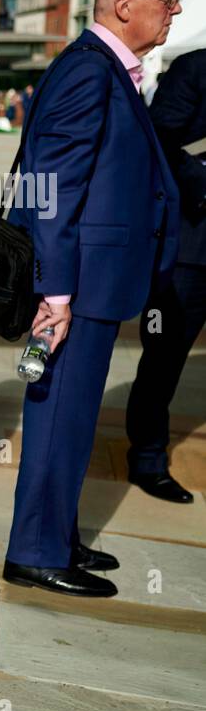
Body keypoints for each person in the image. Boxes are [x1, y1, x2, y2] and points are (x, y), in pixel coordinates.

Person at [3, 0, 181, 597]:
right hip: (76, 286)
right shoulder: (88, 69)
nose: (177, 9)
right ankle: (35, 551)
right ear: (125, 6)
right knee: (59, 418)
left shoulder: (102, 66)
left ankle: (58, 535)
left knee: (73, 420)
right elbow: (53, 189)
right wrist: (56, 293)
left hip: (92, 281)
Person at [125, 48, 206, 504]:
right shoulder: (195, 67)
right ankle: (149, 458)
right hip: (192, 248)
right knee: (163, 361)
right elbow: (158, 141)